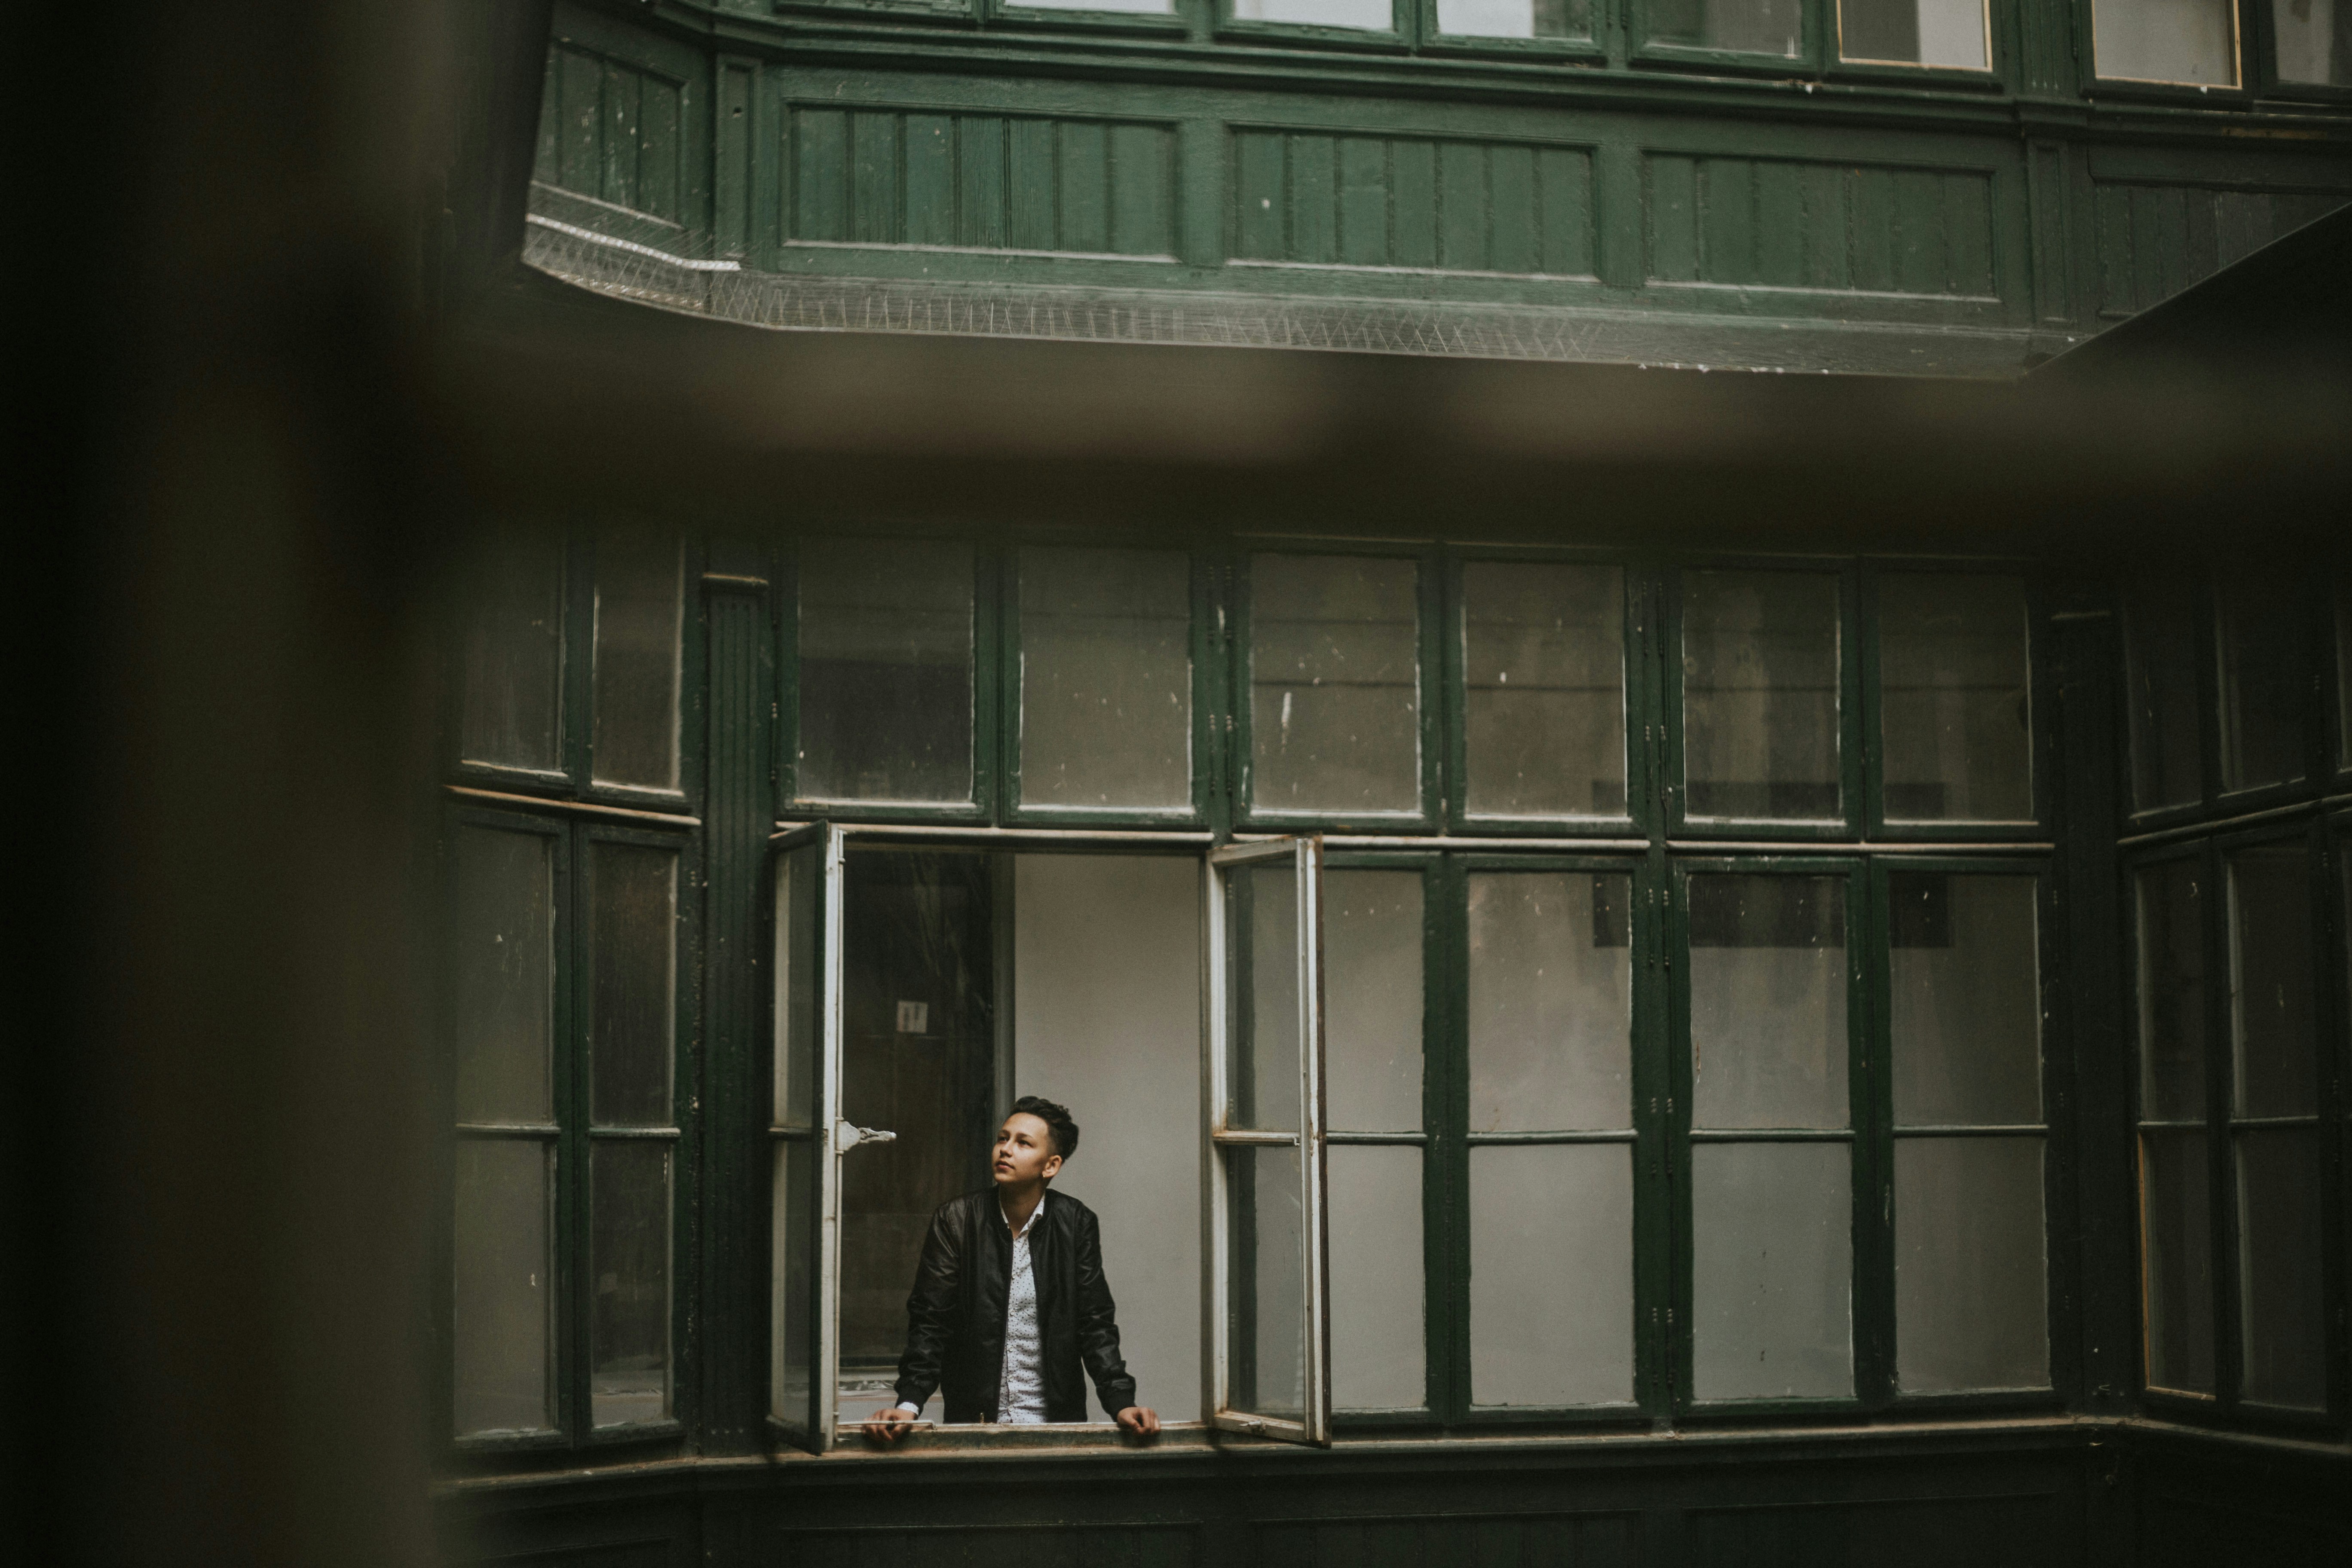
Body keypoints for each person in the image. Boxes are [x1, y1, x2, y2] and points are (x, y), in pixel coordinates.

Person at [864, 1095, 1161, 1442]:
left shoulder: (1076, 1224)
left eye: (1023, 1143)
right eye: (1003, 1138)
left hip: (1056, 1427)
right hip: (975, 1425)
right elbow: (931, 1322)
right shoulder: (957, 1221)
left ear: (1050, 1166)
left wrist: (1121, 1402)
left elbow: (1094, 1323)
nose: (1005, 1149)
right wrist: (910, 1403)